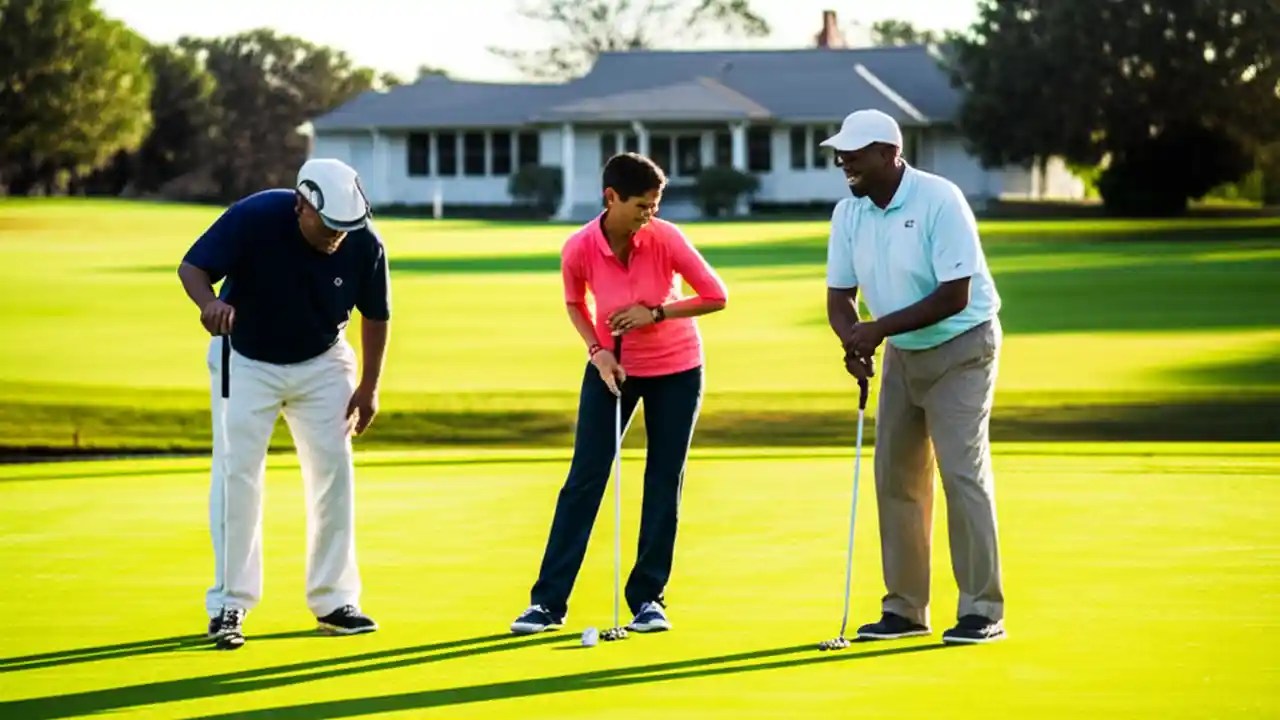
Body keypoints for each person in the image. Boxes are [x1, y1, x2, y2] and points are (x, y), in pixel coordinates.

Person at [510, 153, 728, 635]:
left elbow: (715, 295)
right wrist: (597, 351)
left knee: (662, 479)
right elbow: (574, 302)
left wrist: (657, 312)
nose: (649, 215)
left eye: (654, 205)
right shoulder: (580, 247)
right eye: (641, 206)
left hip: (677, 370)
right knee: (584, 479)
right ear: (611, 198)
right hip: (612, 371)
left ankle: (648, 599)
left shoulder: (667, 237)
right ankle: (547, 603)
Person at [177, 158, 390, 649]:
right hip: (246, 358)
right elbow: (192, 268)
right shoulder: (255, 217)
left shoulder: (363, 239)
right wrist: (208, 303)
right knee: (236, 477)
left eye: (348, 226)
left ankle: (335, 601)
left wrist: (370, 385)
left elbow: (376, 315)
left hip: (323, 360)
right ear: (301, 205)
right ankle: (230, 602)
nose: (339, 236)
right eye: (331, 225)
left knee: (333, 474)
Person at [821, 109, 1007, 645]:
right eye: (841, 154)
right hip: (903, 350)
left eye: (854, 154)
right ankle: (905, 608)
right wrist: (852, 339)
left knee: (961, 474)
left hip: (963, 347)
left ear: (889, 153)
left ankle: (981, 608)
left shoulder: (938, 199)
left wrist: (874, 330)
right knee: (896, 478)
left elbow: (955, 295)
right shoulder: (848, 213)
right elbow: (840, 297)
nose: (843, 162)